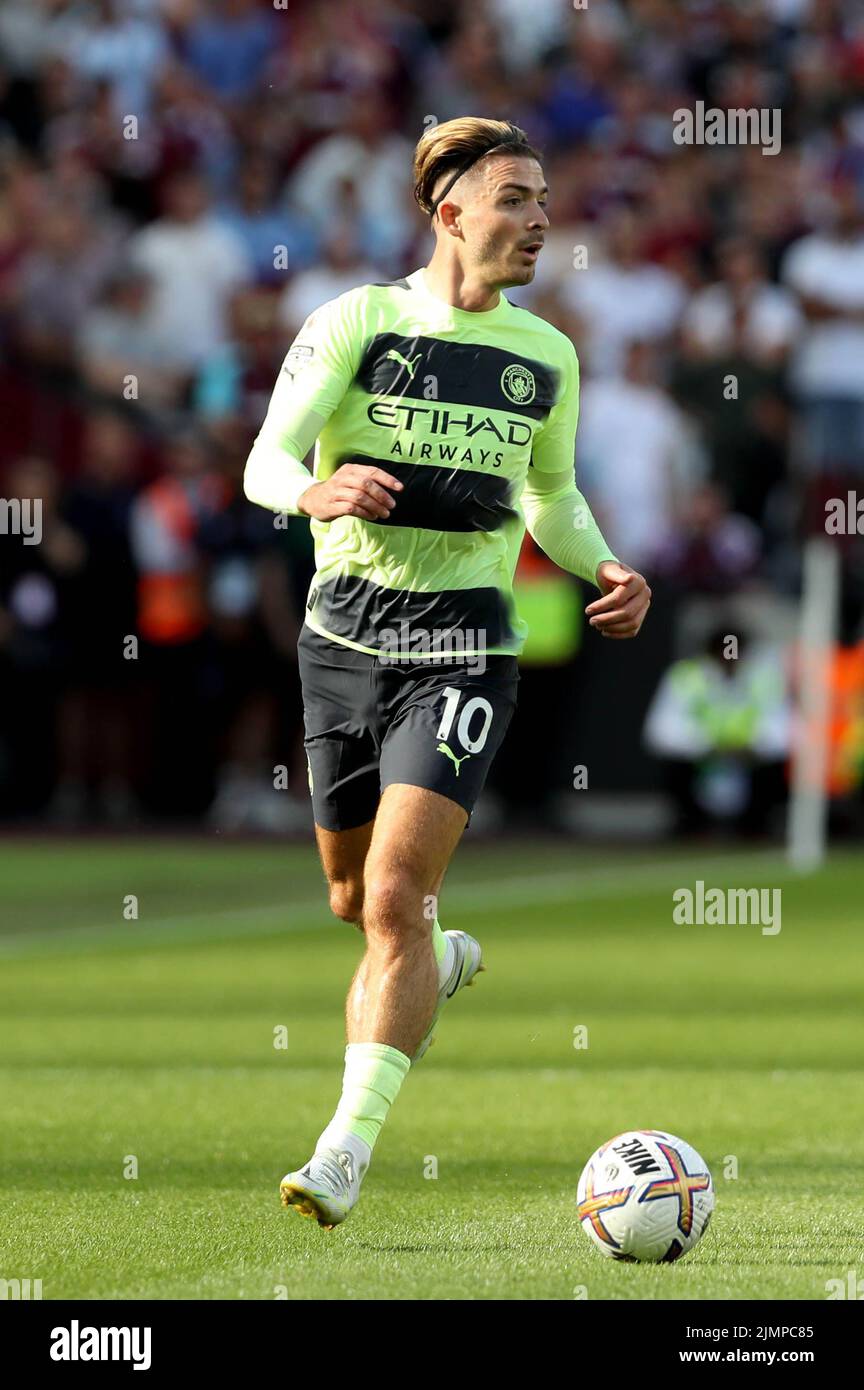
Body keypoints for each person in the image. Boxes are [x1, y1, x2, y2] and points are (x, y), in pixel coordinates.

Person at [243, 116, 651, 1228]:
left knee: (391, 896)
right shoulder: (354, 321)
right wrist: (313, 492)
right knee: (354, 900)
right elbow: (266, 459)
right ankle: (440, 955)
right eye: (516, 197)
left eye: (545, 199)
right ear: (450, 211)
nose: (538, 218)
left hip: (464, 641)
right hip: (342, 637)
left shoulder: (547, 353)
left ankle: (342, 1151)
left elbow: (549, 496)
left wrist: (605, 560)